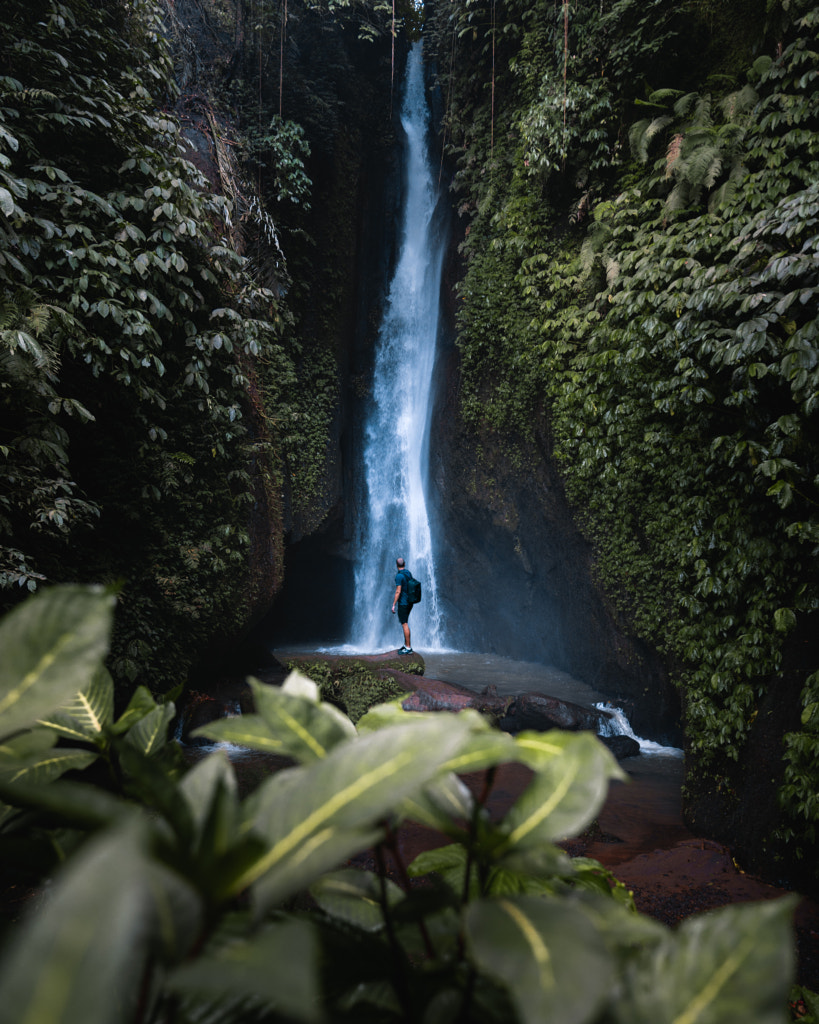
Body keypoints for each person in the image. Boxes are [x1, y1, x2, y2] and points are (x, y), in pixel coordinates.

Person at [391, 556, 413, 654]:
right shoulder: (408, 573)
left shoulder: (399, 576)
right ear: (404, 564)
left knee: (404, 624)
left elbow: (398, 591)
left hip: (403, 603)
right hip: (409, 602)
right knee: (405, 622)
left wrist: (393, 604)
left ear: (396, 565)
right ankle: (405, 645)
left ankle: (408, 648)